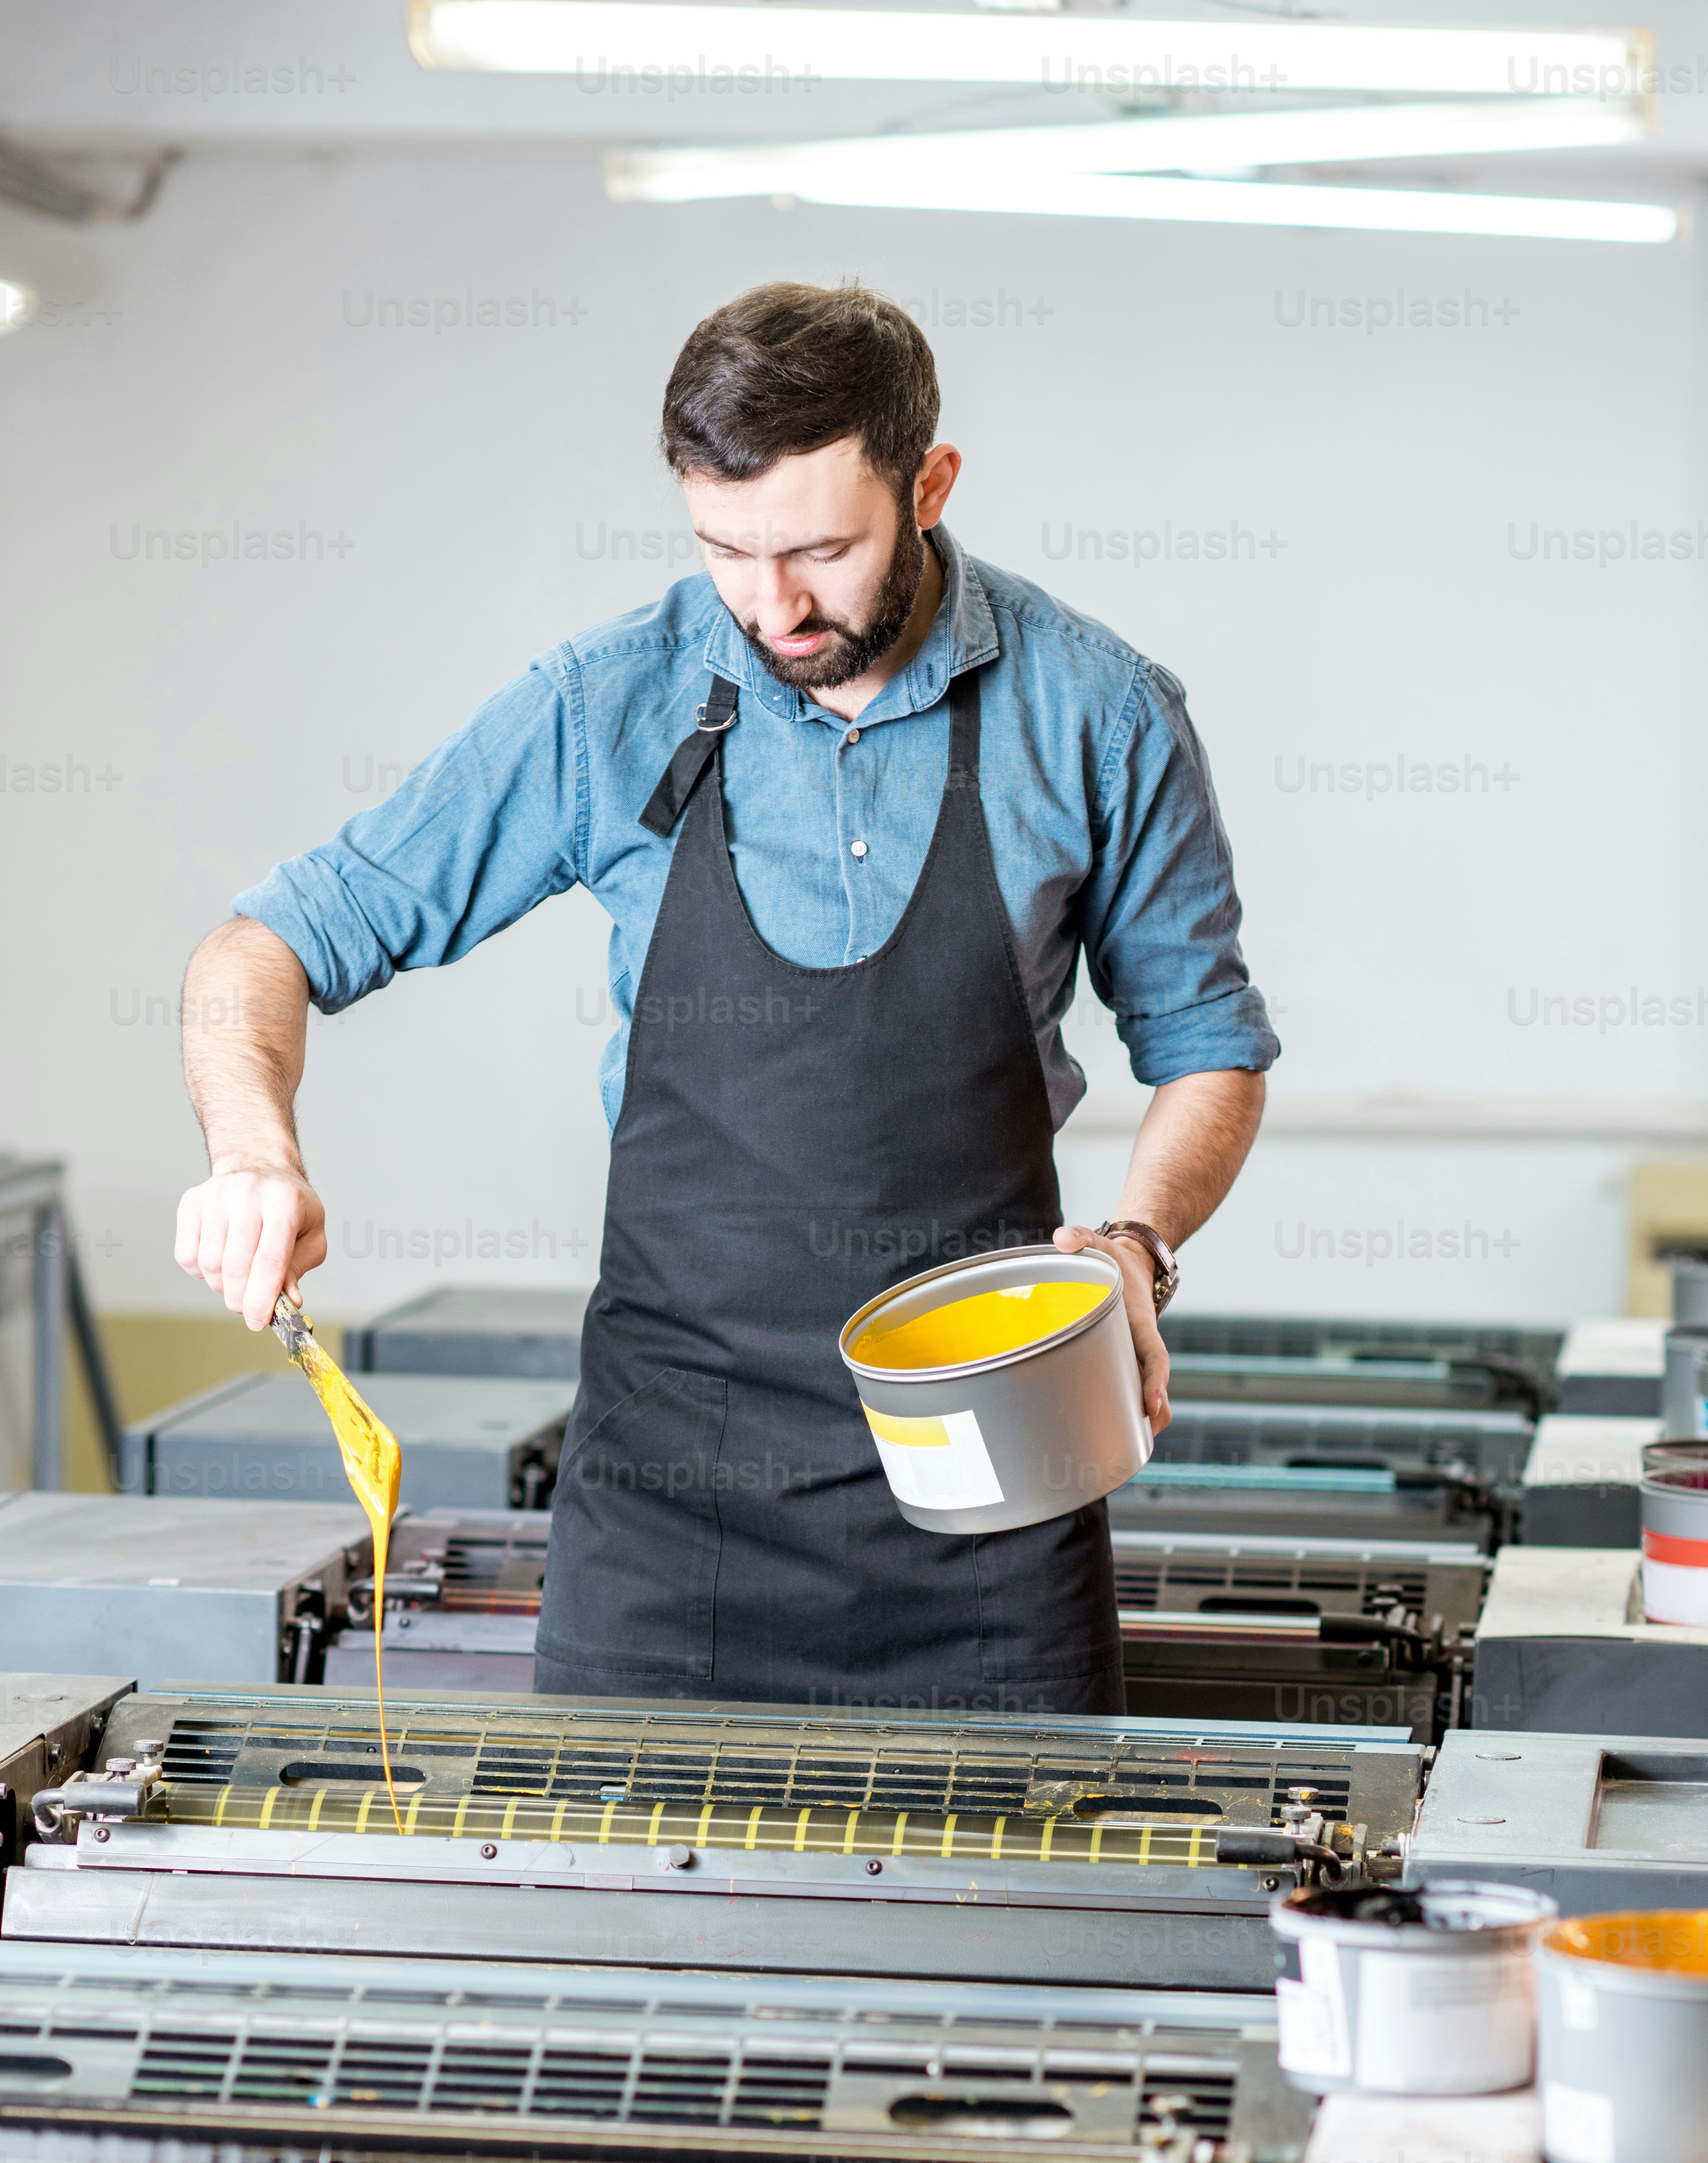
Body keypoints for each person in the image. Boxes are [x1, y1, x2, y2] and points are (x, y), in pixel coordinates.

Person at [175, 278, 1276, 1713]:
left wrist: (1138, 1243)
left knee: (1009, 1933)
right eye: (726, 553)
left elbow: (1209, 1050)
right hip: (665, 1527)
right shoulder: (606, 703)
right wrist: (254, 1154)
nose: (773, 606)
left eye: (821, 549)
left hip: (994, 1504)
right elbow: (258, 949)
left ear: (930, 485)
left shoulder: (1099, 714)